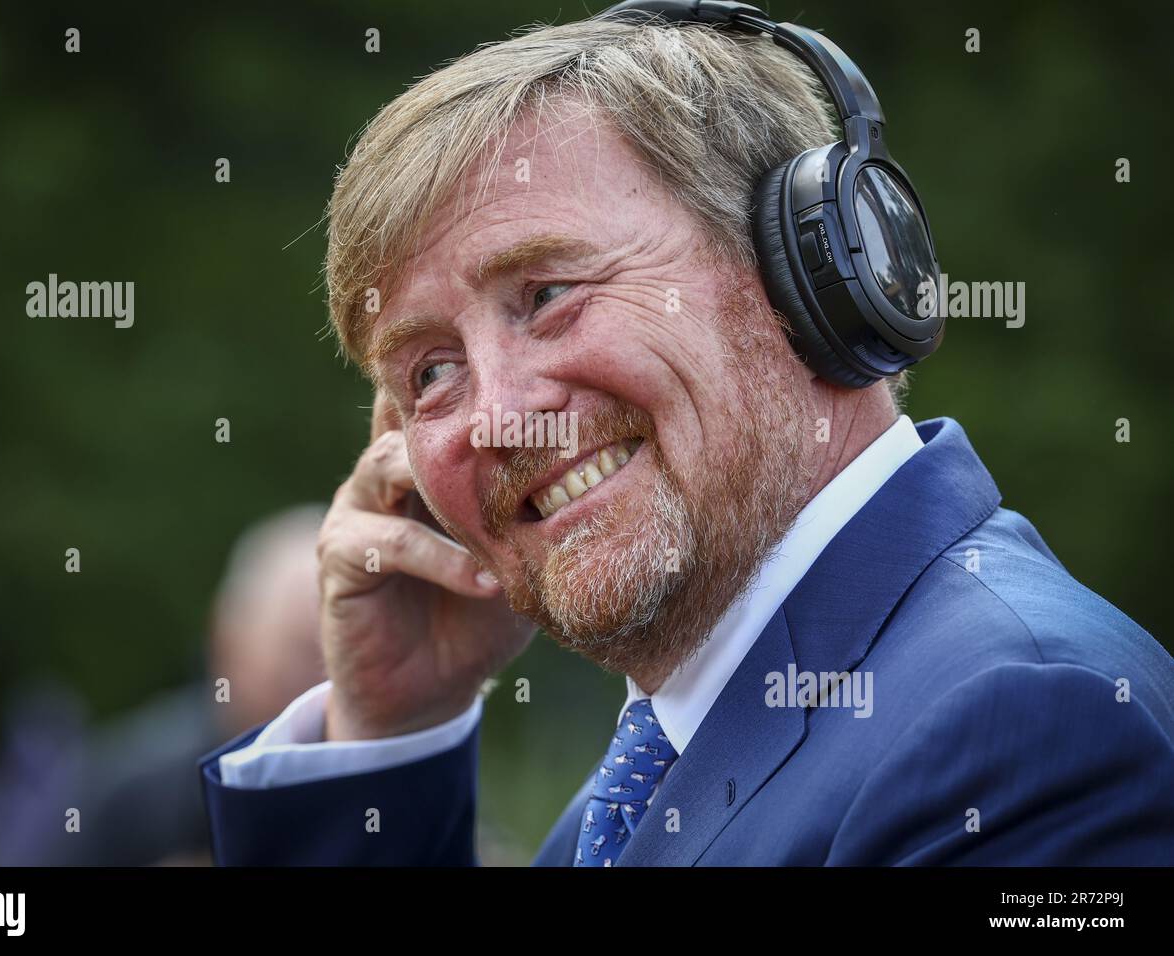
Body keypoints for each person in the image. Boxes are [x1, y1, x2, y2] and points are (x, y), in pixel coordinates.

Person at [199, 5, 1174, 866]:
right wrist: (386, 734)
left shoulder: (1028, 732)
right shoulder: (642, 780)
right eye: (430, 373)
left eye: (546, 294)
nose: (497, 415)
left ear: (802, 272)